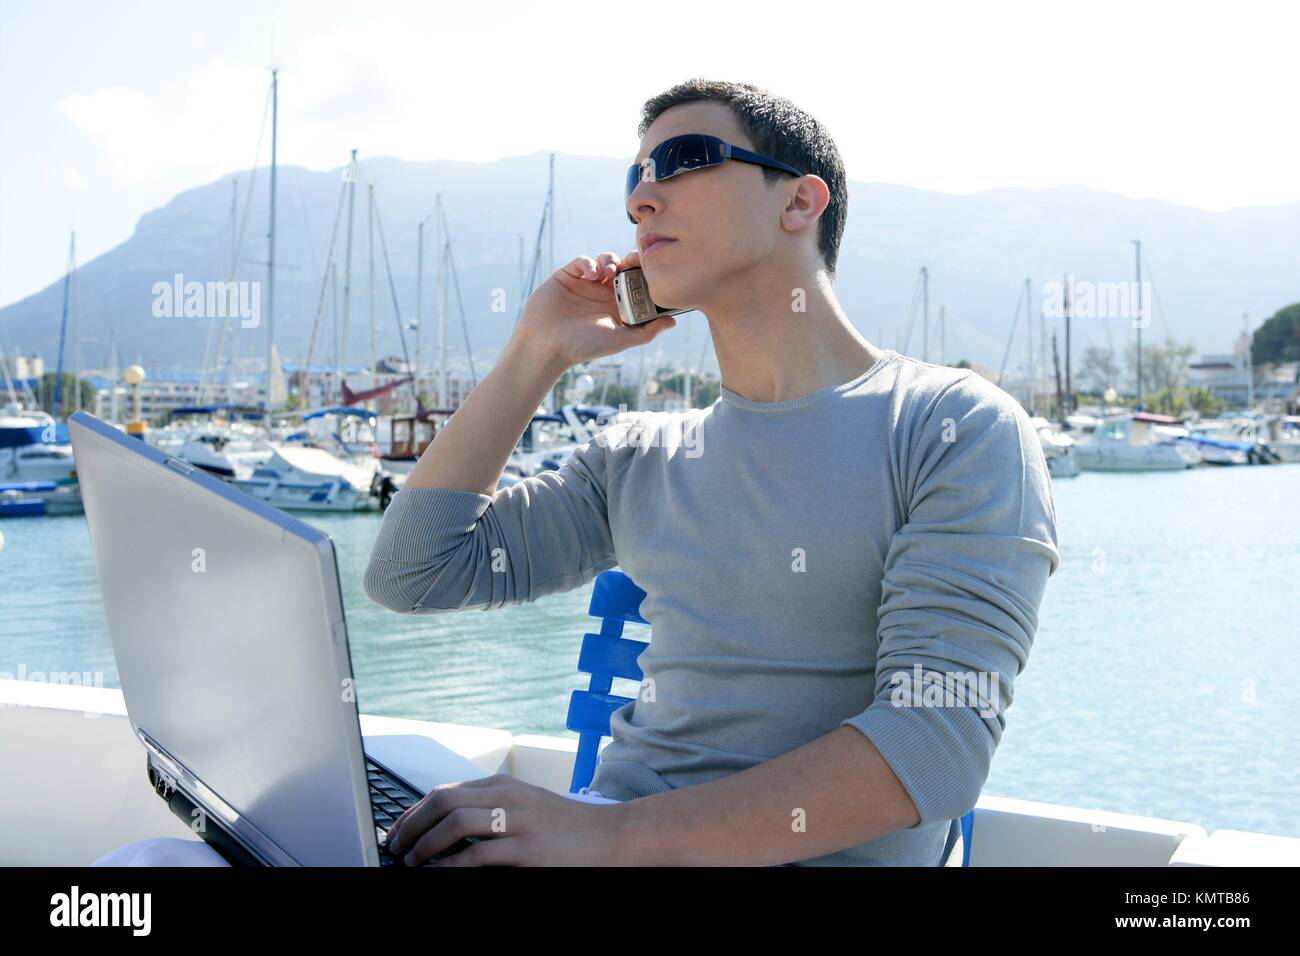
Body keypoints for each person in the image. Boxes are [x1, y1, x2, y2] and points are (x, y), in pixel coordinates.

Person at [363, 78, 1060, 867]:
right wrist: (536, 354)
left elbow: (933, 745)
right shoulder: (638, 457)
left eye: (682, 161)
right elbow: (413, 572)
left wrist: (602, 835)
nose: (642, 200)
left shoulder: (951, 427)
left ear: (800, 204)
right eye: (635, 180)